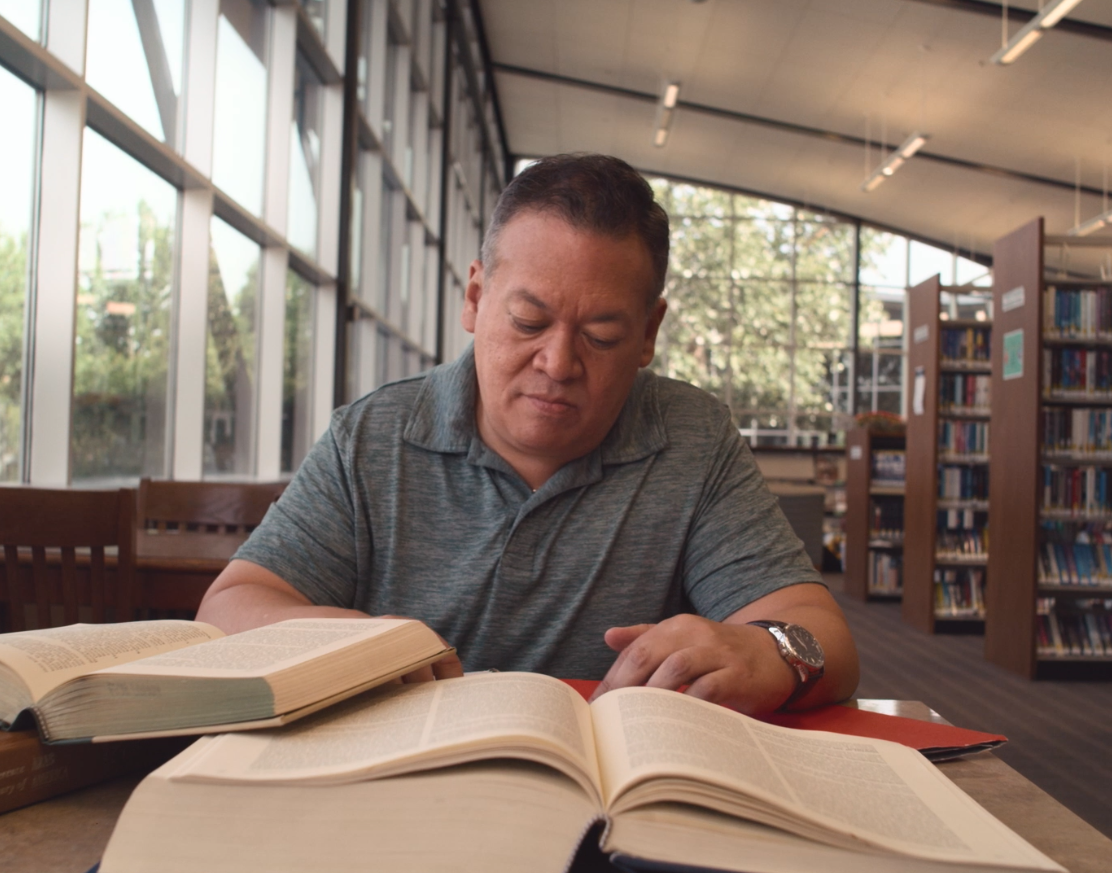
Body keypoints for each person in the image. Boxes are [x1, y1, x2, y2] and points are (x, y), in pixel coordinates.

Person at [196, 154, 859, 715]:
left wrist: (771, 652)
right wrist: (372, 643)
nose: (558, 364)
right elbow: (228, 608)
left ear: (650, 333)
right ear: (476, 297)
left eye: (601, 336)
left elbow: (826, 635)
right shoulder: (373, 436)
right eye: (527, 320)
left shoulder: (692, 438)